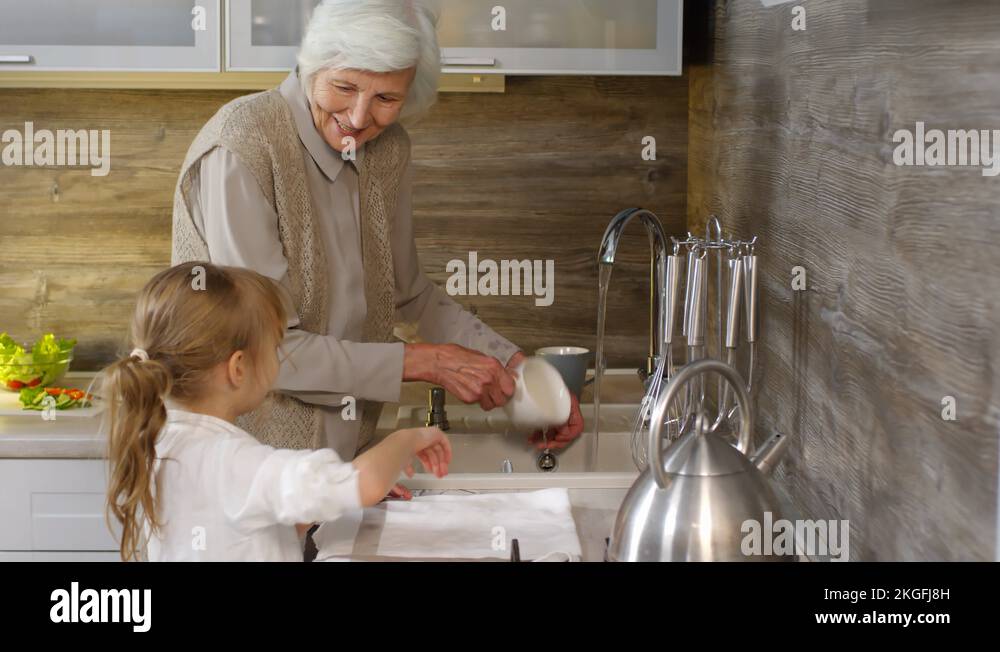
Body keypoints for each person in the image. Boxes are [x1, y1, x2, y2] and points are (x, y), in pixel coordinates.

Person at [170, 0, 584, 489]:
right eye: (343, 87)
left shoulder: (388, 151)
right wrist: (425, 362)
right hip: (245, 476)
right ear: (312, 61)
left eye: (387, 98)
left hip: (339, 472)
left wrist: (519, 368)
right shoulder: (244, 145)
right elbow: (268, 351)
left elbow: (410, 294)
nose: (359, 117)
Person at [103, 262, 451, 561]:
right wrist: (409, 438)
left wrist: (334, 498)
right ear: (238, 368)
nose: (280, 359)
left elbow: (249, 525)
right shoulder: (234, 460)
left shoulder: (156, 441)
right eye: (274, 347)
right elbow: (364, 482)